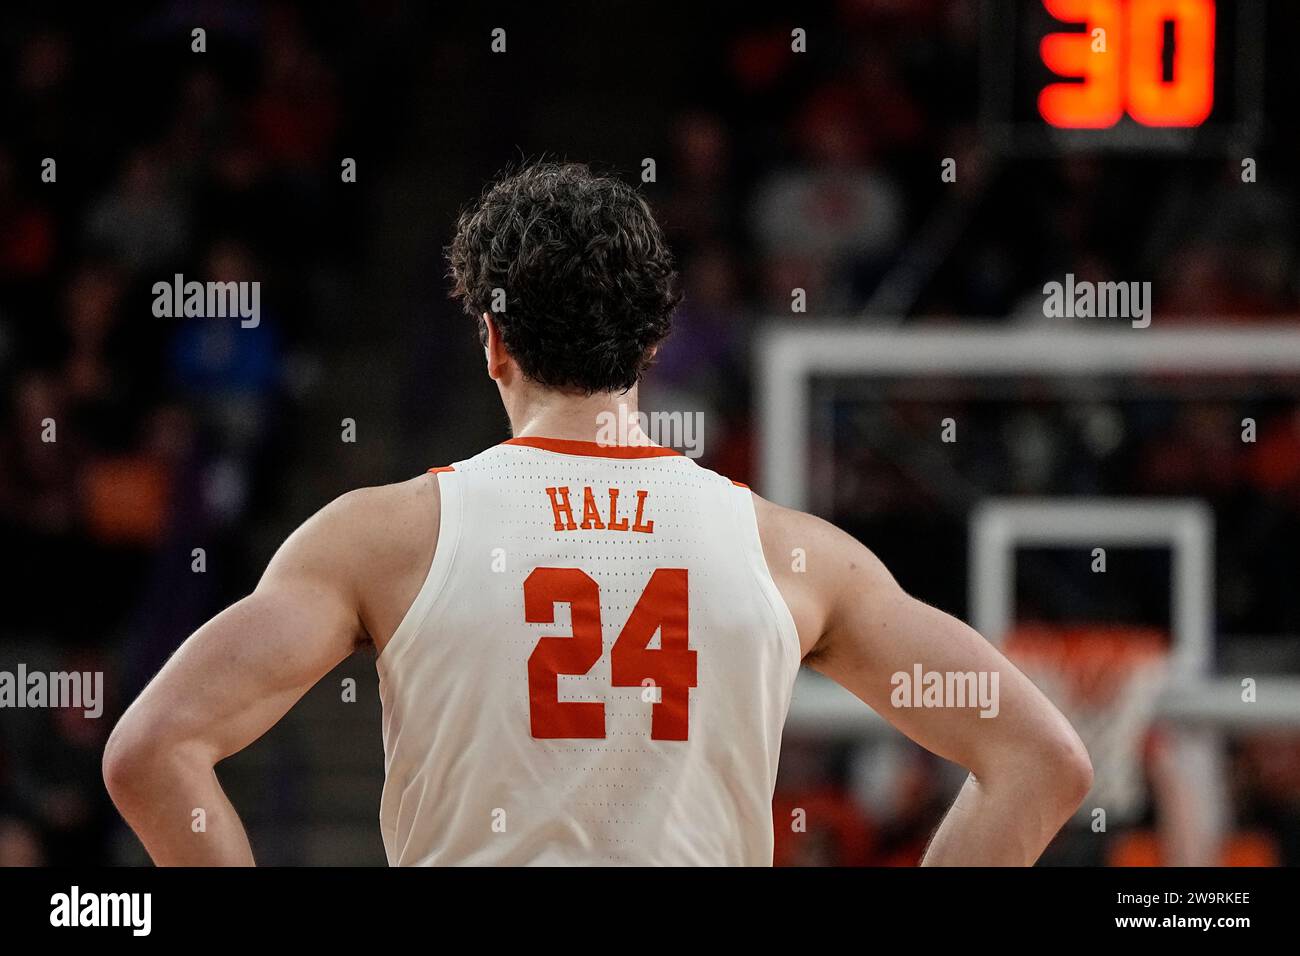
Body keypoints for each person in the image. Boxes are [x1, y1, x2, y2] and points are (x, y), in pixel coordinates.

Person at [103, 162, 1091, 866]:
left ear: (492, 341)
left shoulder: (380, 537)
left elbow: (152, 752)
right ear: (654, 342)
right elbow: (1042, 761)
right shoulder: (797, 555)